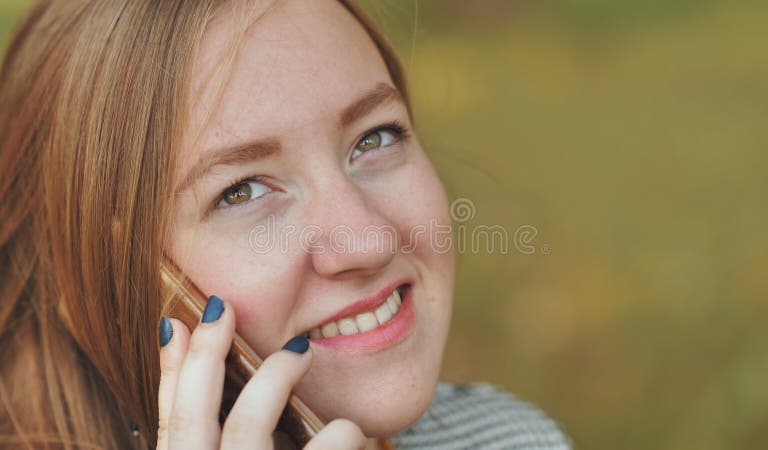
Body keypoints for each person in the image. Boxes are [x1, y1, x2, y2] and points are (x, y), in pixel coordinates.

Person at [0, 0, 572, 449]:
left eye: (374, 137)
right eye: (241, 191)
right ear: (109, 271)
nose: (369, 240)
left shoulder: (509, 437)